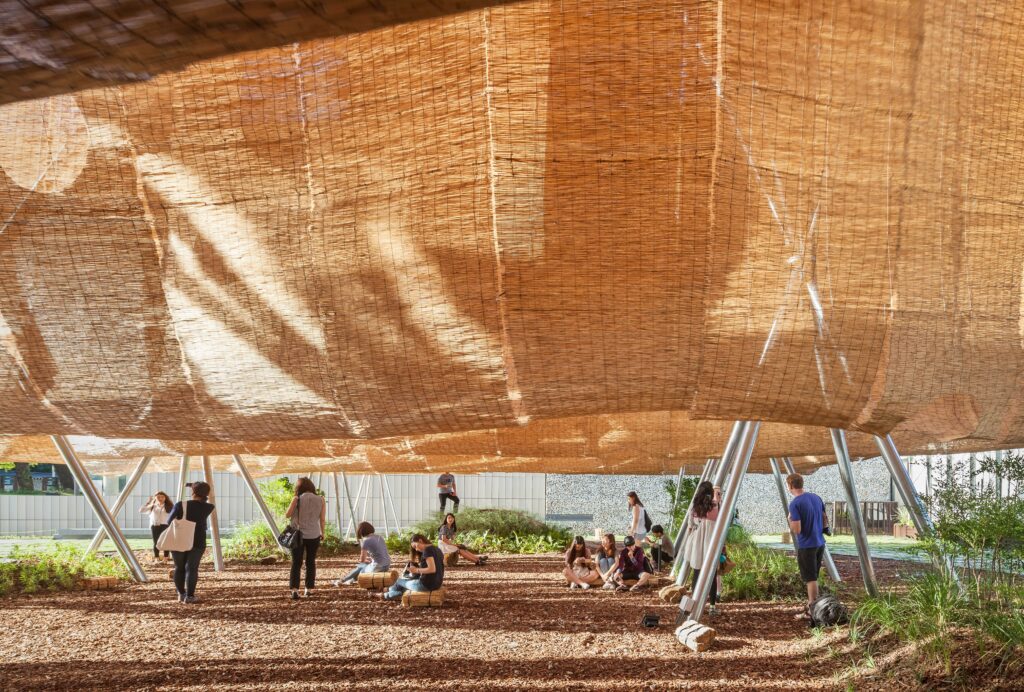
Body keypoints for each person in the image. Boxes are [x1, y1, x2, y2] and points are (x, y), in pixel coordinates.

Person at [787, 472, 829, 620]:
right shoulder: (816, 498)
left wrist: (790, 520)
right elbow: (825, 519)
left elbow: (797, 529)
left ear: (790, 486)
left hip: (806, 545)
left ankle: (813, 611)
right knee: (814, 576)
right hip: (819, 542)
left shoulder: (795, 503)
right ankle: (812, 607)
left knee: (810, 578)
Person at [166, 482, 215, 604]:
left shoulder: (180, 505)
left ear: (193, 492)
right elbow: (200, 503)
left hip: (179, 539)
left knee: (179, 567)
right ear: (207, 493)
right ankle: (190, 596)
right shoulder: (209, 507)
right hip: (198, 540)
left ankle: (181, 594)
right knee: (192, 568)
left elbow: (168, 521)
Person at [681, 481, 722, 615]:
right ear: (710, 493)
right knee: (712, 574)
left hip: (696, 542)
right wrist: (717, 496)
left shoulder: (694, 507)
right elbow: (720, 523)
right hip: (711, 542)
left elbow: (690, 524)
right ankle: (712, 607)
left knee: (697, 573)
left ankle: (695, 604)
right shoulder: (715, 506)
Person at [285, 477, 326, 600]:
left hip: (298, 535)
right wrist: (322, 532)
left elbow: (287, 515)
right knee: (310, 562)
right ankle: (308, 589)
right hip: (314, 535)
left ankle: (295, 591)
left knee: (296, 563)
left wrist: (294, 502)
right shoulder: (321, 499)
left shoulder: (297, 499)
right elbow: (322, 519)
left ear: (299, 488)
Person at [384, 534, 444, 601]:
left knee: (399, 581)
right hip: (437, 584)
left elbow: (432, 569)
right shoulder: (438, 550)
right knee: (403, 586)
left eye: (415, 546)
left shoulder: (427, 550)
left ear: (420, 540)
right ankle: (394, 592)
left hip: (426, 585)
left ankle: (386, 595)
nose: (416, 549)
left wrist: (416, 570)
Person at [337, 521, 392, 586]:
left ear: (361, 531)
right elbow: (381, 553)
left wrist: (366, 561)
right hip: (387, 565)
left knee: (360, 567)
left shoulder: (366, 541)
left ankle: (342, 580)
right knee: (363, 567)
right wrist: (370, 560)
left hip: (378, 567)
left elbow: (362, 560)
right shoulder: (380, 537)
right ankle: (349, 580)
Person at [139, 491, 173, 562]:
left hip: (165, 525)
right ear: (155, 498)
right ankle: (157, 558)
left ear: (165, 498)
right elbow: (141, 510)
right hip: (155, 526)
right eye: (158, 497)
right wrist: (149, 502)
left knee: (165, 541)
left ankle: (165, 558)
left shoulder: (169, 506)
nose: (160, 498)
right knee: (156, 542)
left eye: (162, 497)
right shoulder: (152, 506)